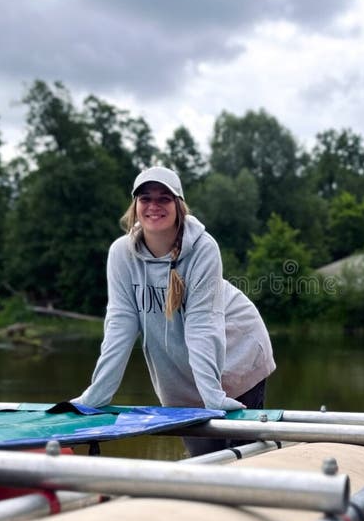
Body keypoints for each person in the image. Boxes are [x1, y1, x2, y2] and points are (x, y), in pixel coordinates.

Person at [72, 166, 276, 456]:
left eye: (163, 198)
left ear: (178, 206)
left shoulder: (204, 248)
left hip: (236, 346)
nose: (154, 206)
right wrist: (97, 394)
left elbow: (202, 326)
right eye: (145, 198)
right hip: (181, 365)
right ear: (136, 206)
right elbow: (120, 325)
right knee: (202, 456)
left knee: (239, 454)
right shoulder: (122, 254)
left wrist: (213, 397)